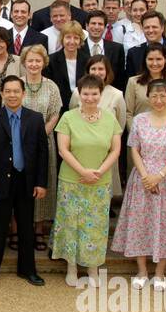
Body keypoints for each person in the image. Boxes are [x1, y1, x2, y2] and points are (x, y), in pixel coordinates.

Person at [111, 79, 166, 289]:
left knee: (164, 223)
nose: (159, 100)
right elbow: (134, 149)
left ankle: (160, 273)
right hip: (141, 177)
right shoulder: (139, 120)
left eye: (163, 95)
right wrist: (146, 176)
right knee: (140, 222)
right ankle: (142, 270)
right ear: (148, 97)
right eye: (154, 95)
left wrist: (159, 176)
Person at [0, 77, 49, 286]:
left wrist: (41, 183)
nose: (12, 95)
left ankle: (28, 270)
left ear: (23, 93)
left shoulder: (35, 119)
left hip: (26, 181)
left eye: (16, 91)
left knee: (26, 227)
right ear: (1, 93)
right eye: (7, 91)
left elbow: (42, 154)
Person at [53, 75, 122, 286]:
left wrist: (99, 171)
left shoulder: (110, 118)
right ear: (79, 94)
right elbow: (63, 149)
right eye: (85, 93)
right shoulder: (68, 117)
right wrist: (83, 171)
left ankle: (93, 269)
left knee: (96, 226)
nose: (90, 98)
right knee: (71, 224)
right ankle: (72, 267)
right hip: (72, 180)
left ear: (101, 95)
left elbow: (116, 149)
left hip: (100, 181)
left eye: (94, 93)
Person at [68, 53, 127, 198]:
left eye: (101, 69)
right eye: (93, 68)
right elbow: (72, 117)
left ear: (107, 71)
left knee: (103, 190)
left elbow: (121, 123)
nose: (97, 72)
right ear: (88, 71)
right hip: (81, 147)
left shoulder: (117, 95)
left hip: (106, 149)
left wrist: (110, 146)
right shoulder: (77, 92)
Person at [20, 44, 62, 246]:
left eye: (38, 60)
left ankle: (39, 229)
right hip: (19, 143)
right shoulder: (17, 84)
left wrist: (40, 133)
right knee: (22, 184)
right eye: (30, 60)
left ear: (43, 63)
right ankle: (21, 227)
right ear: (24, 63)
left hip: (45, 143)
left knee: (43, 182)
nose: (34, 64)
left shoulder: (51, 86)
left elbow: (55, 113)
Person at [124, 43, 166, 125]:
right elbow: (128, 113)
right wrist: (136, 133)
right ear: (145, 60)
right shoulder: (133, 82)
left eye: (159, 59)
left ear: (165, 60)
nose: (154, 63)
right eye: (150, 59)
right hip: (139, 133)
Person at [47, 21, 87, 110]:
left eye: (76, 38)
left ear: (80, 40)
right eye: (68, 37)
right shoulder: (51, 61)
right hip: (58, 107)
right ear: (62, 38)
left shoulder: (88, 60)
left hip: (82, 107)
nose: (72, 42)